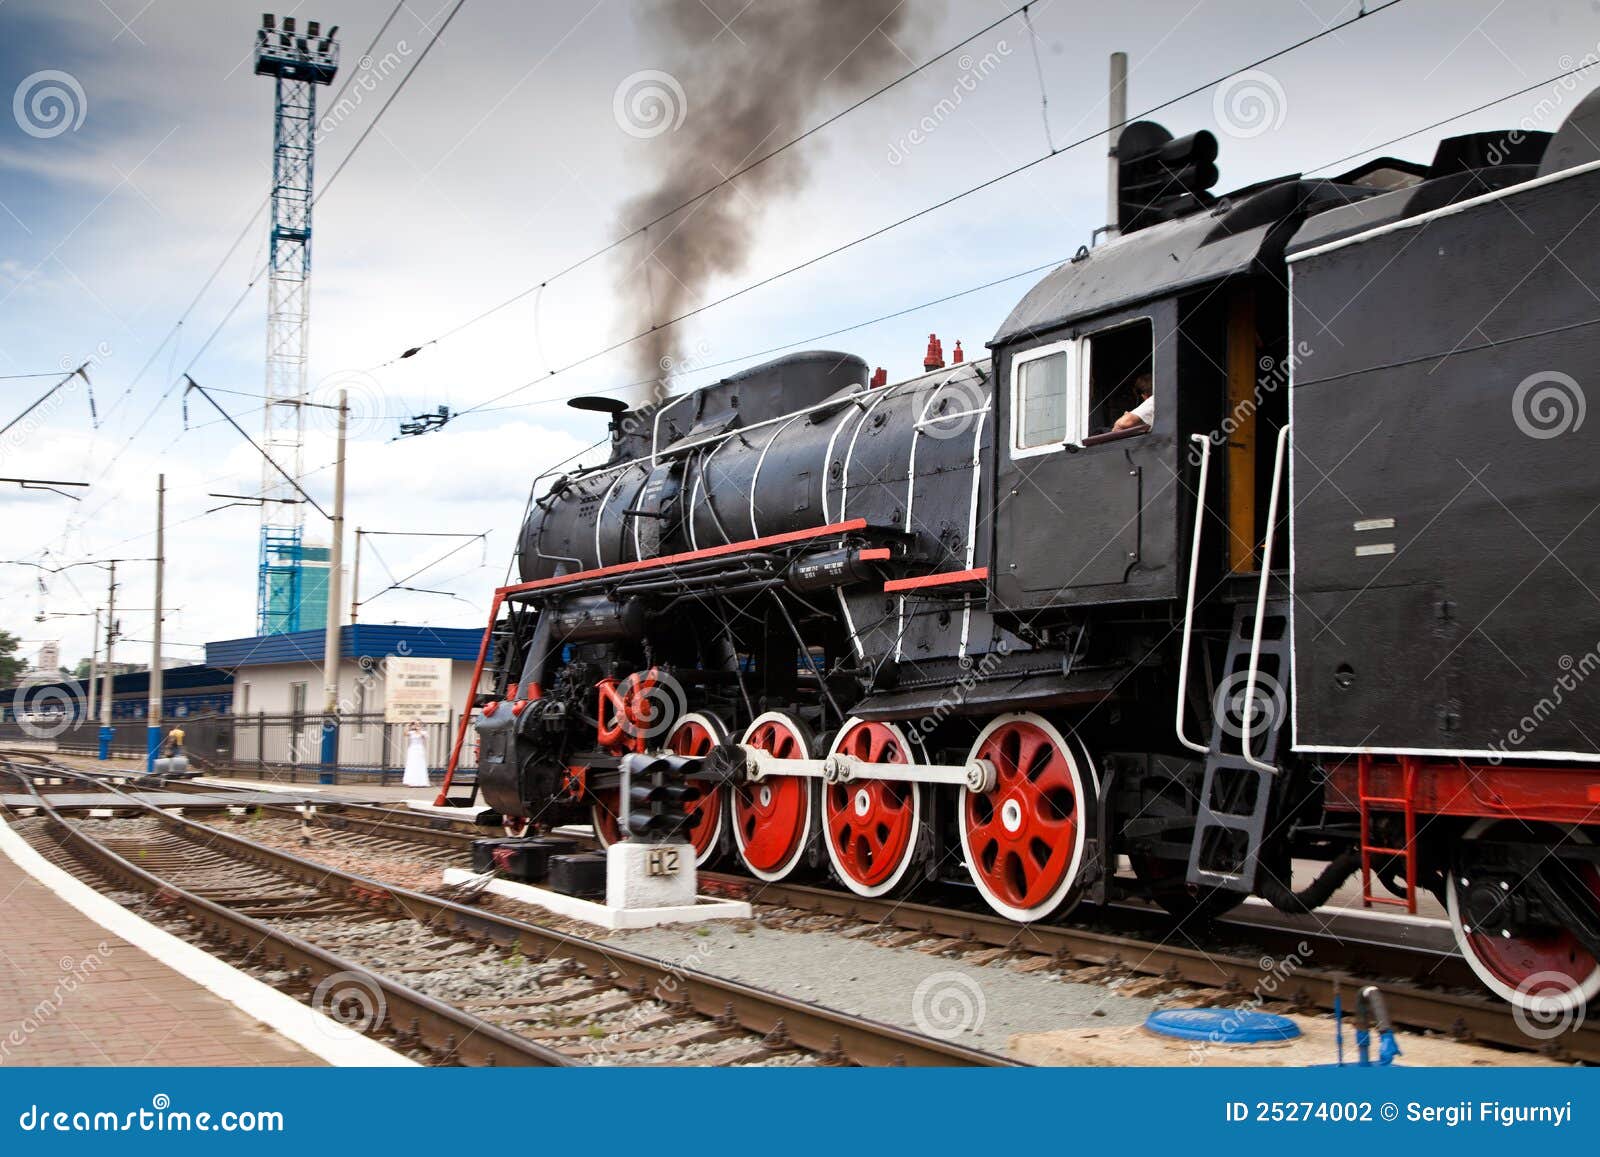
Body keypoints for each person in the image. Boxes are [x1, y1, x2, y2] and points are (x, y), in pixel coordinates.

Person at [402, 720, 430, 788]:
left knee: (420, 764)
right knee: (412, 764)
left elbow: (425, 737)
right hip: (412, 749)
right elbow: (405, 734)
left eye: (418, 724)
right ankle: (411, 782)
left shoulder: (423, 732)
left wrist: (419, 730)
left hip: (419, 749)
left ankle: (421, 782)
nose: (416, 725)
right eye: (415, 724)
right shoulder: (411, 732)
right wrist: (408, 725)